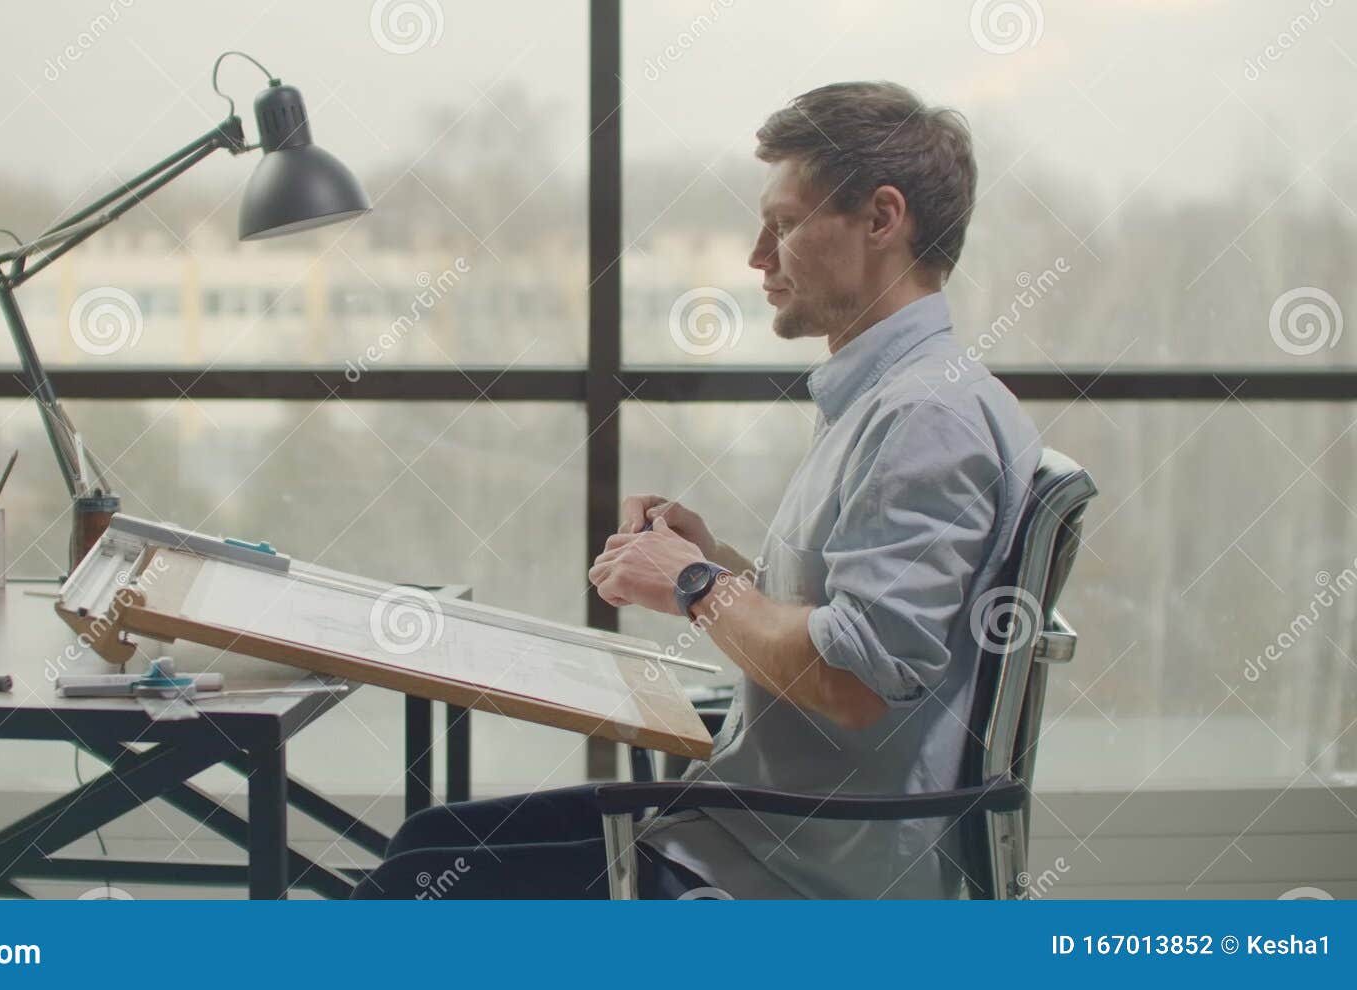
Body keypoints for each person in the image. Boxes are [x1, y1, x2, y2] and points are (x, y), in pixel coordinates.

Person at [351, 80, 1040, 900]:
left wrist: (691, 585)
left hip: (795, 869)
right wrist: (715, 559)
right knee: (429, 844)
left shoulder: (926, 416)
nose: (757, 256)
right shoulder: (897, 398)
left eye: (783, 224)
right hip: (760, 823)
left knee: (419, 881)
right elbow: (841, 619)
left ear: (883, 219)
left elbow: (856, 683)